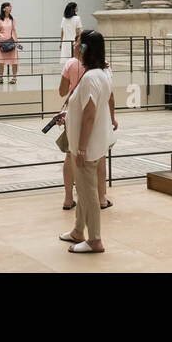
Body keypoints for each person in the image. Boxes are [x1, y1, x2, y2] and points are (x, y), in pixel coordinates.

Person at [59, 30, 113, 254]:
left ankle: (95, 240)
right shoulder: (99, 74)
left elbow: (90, 115)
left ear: (86, 49)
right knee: (82, 189)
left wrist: (80, 149)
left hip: (86, 147)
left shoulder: (91, 78)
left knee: (88, 193)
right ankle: (78, 230)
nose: (74, 45)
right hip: (90, 144)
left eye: (78, 43)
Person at [0, 2, 19, 85]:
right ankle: (0, 78)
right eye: (9, 6)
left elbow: (14, 30)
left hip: (11, 42)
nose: (11, 7)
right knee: (1, 61)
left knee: (14, 60)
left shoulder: (12, 19)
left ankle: (14, 78)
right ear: (4, 8)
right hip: (1, 43)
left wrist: (16, 42)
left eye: (11, 6)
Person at [59, 2, 82, 68]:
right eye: (76, 7)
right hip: (74, 41)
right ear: (74, 9)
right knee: (75, 59)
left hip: (65, 42)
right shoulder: (77, 18)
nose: (78, 8)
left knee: (66, 61)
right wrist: (79, 41)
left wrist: (61, 43)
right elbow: (78, 31)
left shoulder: (64, 19)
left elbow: (62, 32)